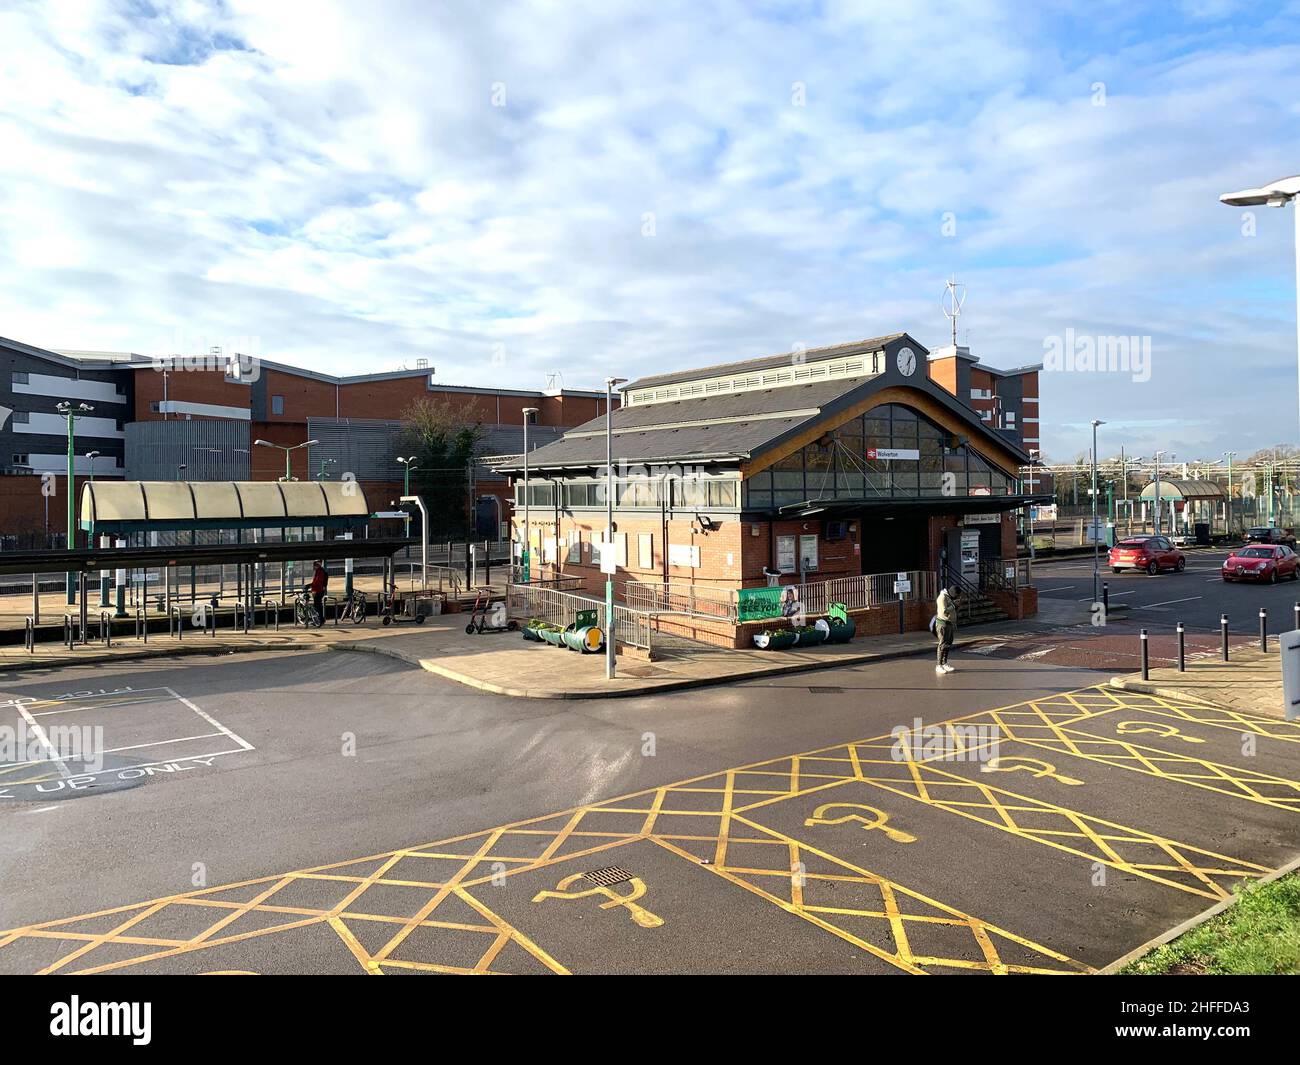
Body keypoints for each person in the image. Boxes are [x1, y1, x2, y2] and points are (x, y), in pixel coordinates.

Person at [934, 584, 960, 674]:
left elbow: (952, 610)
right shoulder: (942, 598)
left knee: (948, 643)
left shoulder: (948, 597)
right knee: (943, 644)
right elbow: (944, 611)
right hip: (942, 624)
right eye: (956, 595)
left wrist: (955, 606)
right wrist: (954, 605)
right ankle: (939, 665)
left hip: (949, 623)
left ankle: (944, 663)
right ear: (953, 593)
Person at [309, 560, 329, 626]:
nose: (313, 567)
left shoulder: (320, 571)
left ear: (316, 566)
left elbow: (317, 581)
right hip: (318, 590)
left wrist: (310, 585)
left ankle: (319, 621)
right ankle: (320, 620)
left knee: (317, 606)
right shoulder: (319, 571)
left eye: (314, 566)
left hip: (318, 590)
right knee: (318, 605)